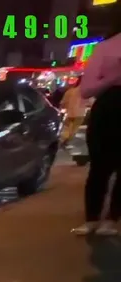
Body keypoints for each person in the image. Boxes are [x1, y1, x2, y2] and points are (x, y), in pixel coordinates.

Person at [74, 18, 121, 236]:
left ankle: (112, 219)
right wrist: (113, 77)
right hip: (107, 110)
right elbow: (86, 90)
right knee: (99, 167)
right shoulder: (106, 47)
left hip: (107, 108)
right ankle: (92, 218)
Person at [60, 77, 88, 145]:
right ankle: (67, 141)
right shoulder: (86, 92)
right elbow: (91, 102)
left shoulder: (70, 91)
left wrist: (64, 108)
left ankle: (63, 140)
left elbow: (63, 102)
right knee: (74, 129)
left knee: (67, 128)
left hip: (70, 113)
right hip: (80, 114)